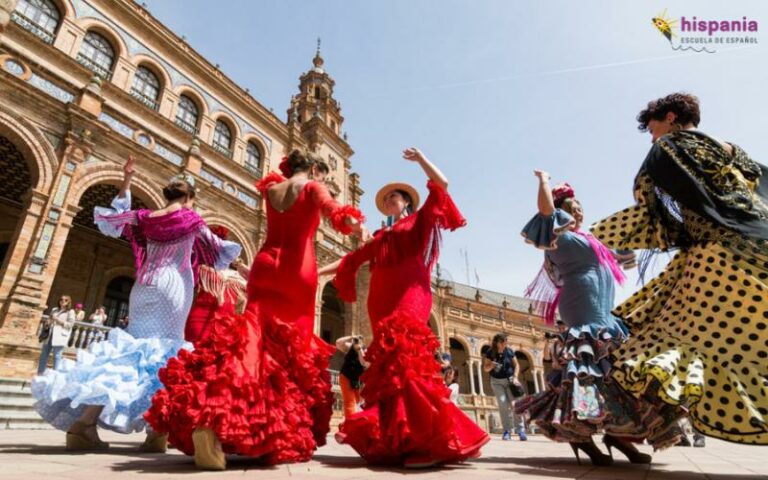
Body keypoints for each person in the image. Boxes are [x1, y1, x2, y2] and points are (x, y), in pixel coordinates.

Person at [145, 149, 367, 470]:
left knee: (250, 341)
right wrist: (352, 222)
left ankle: (211, 418)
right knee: (291, 353)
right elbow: (335, 212)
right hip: (297, 270)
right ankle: (269, 430)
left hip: (265, 265)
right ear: (316, 170)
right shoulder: (313, 187)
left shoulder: (271, 188)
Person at [591, 92, 768, 445]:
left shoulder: (669, 148)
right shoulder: (733, 150)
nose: (653, 136)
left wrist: (604, 237)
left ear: (670, 118)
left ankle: (631, 426)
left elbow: (650, 208)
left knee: (672, 341)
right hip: (760, 247)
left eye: (653, 127)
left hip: (717, 258)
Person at [31, 156, 241, 453]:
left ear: (167, 195)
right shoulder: (191, 219)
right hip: (173, 287)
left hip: (143, 286)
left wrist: (127, 179)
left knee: (131, 351)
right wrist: (241, 268)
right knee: (166, 354)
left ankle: (85, 423)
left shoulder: (145, 218)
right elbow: (217, 250)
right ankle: (156, 432)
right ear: (189, 198)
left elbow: (115, 219)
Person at [325, 147, 489, 467]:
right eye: (385, 200)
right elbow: (349, 261)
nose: (388, 202)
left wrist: (423, 159)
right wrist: (305, 273)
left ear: (407, 202)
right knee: (390, 370)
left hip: (411, 296)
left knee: (407, 358)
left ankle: (429, 440)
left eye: (394, 197)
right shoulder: (380, 235)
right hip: (380, 303)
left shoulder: (419, 221)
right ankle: (403, 438)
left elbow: (442, 184)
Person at [515, 173, 665, 467]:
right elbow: (546, 211)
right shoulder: (558, 236)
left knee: (615, 370)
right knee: (588, 369)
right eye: (572, 206)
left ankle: (618, 433)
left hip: (605, 310)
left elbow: (627, 247)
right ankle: (581, 435)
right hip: (581, 307)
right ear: (561, 211)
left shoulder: (593, 238)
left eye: (581, 206)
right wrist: (544, 182)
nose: (579, 210)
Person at [184, 226, 249, 343]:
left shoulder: (237, 277)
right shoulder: (202, 270)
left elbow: (257, 280)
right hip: (199, 324)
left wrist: (238, 263)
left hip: (225, 331)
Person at [483, 333, 527, 441]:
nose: (504, 344)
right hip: (496, 382)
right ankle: (506, 431)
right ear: (497, 343)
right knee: (502, 404)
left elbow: (516, 365)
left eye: (506, 342)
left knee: (515, 404)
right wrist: (492, 365)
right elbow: (485, 369)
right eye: (502, 342)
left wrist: (516, 377)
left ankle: (520, 430)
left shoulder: (509, 351)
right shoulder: (490, 352)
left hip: (509, 380)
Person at [36, 295, 76, 374]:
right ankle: (40, 373)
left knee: (57, 356)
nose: (63, 301)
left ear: (69, 302)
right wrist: (48, 322)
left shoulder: (70, 312)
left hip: (59, 335)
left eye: (65, 300)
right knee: (44, 355)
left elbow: (70, 325)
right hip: (50, 334)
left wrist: (57, 320)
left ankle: (54, 375)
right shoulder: (54, 310)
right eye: (61, 299)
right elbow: (50, 319)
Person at [336, 335, 369, 418]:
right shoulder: (351, 347)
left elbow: (363, 362)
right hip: (346, 376)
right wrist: (351, 337)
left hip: (358, 381)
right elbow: (338, 343)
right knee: (350, 402)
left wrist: (359, 349)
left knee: (359, 404)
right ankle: (350, 424)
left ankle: (356, 423)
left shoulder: (366, 351)